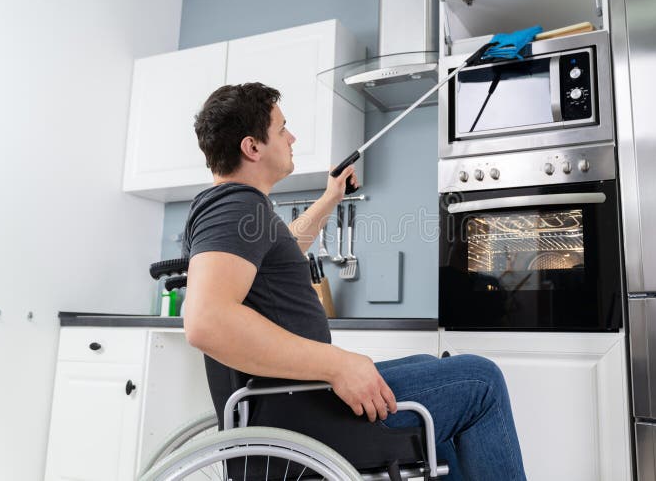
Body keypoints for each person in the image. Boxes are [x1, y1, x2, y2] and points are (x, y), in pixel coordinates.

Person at [181, 82, 527, 480]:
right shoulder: (233, 206)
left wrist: (332, 197)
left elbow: (287, 245)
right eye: (281, 129)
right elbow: (206, 320)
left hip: (299, 406)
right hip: (308, 420)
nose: (292, 137)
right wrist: (338, 365)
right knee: (480, 382)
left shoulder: (240, 210)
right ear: (252, 148)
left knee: (429, 369)